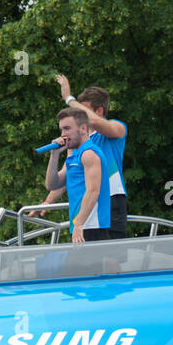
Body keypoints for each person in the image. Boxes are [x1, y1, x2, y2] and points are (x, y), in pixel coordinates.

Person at [32, 78, 128, 238]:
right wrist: (48, 202)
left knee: (112, 257)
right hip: (86, 205)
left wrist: (69, 99)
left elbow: (96, 122)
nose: (79, 116)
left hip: (111, 198)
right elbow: (68, 176)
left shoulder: (116, 127)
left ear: (99, 111)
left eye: (82, 112)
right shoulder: (77, 144)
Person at [44, 107, 111, 243]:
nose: (63, 134)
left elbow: (93, 191)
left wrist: (79, 224)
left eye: (67, 128)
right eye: (61, 130)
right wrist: (54, 155)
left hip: (91, 226)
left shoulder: (89, 153)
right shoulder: (75, 155)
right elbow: (51, 185)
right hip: (81, 227)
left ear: (83, 128)